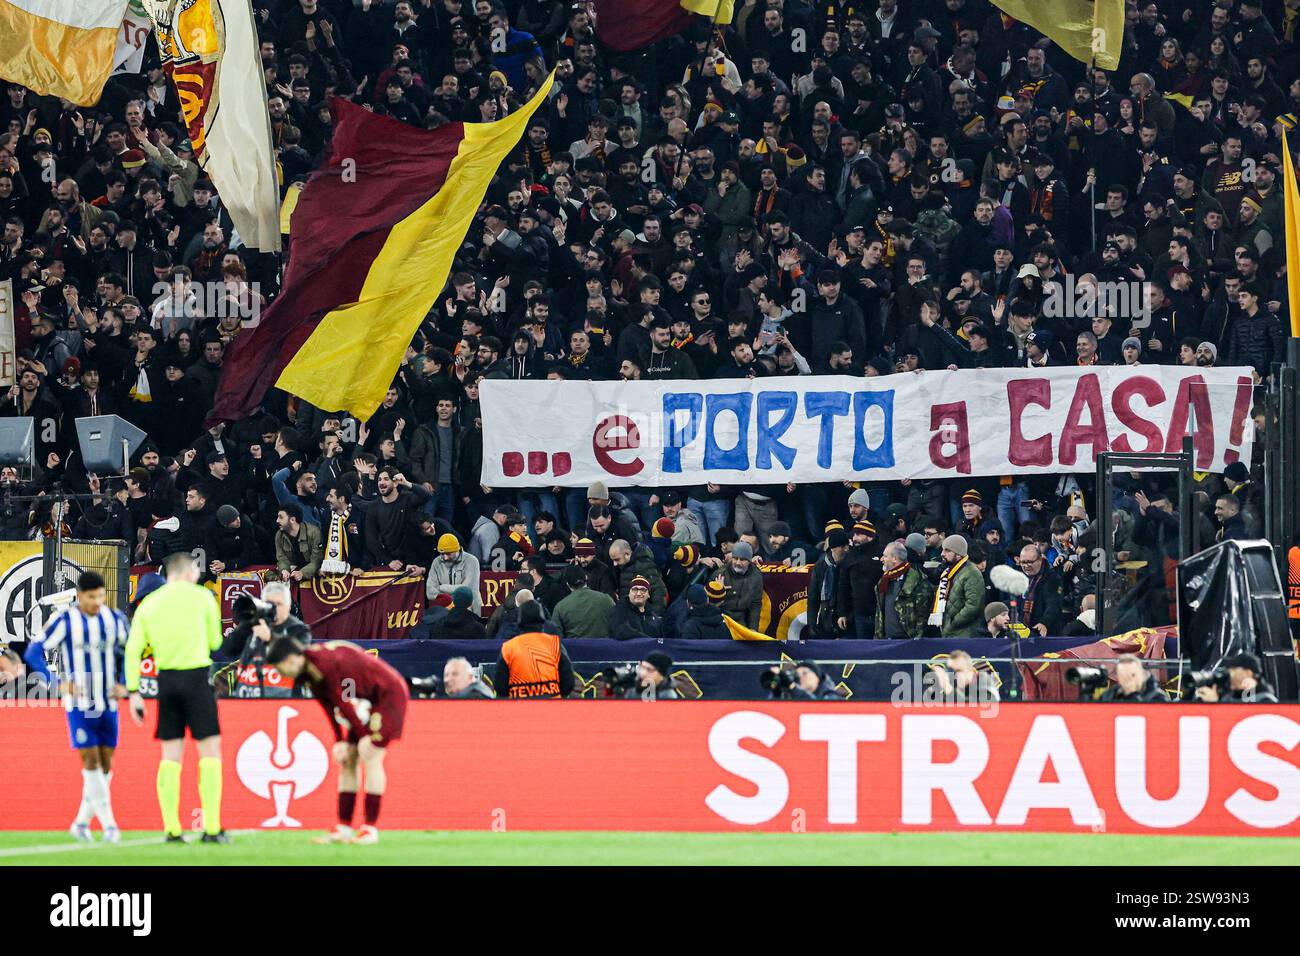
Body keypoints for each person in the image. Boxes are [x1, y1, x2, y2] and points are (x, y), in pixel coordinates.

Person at [124, 551, 228, 843]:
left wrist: (134, 692)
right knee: (209, 751)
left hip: (165, 681)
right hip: (196, 678)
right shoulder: (203, 598)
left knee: (171, 756)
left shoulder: (150, 604)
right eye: (196, 570)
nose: (198, 575)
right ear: (186, 572)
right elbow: (215, 642)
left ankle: (172, 829)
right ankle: (212, 828)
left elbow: (133, 650)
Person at [266, 637, 410, 845]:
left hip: (387, 695)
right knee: (348, 760)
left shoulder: (322, 663)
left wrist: (360, 737)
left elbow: (342, 702)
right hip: (363, 700)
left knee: (371, 754)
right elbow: (329, 705)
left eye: (280, 669)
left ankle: (369, 830)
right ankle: (343, 828)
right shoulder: (309, 669)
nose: (280, 675)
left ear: (290, 659)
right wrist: (339, 741)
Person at [21, 571, 129, 844]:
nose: (97, 602)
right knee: (90, 761)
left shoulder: (114, 619)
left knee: (105, 765)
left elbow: (130, 651)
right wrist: (56, 683)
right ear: (79, 596)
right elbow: (34, 651)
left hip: (108, 702)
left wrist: (125, 684)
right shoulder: (65, 620)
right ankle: (110, 826)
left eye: (101, 596)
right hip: (80, 703)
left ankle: (81, 823)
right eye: (92, 597)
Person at [219, 581, 312, 698]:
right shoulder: (253, 623)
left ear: (288, 606)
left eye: (279, 604)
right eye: (270, 604)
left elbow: (296, 658)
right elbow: (228, 650)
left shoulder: (298, 629)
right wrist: (246, 624)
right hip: (246, 701)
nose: (274, 608)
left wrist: (270, 638)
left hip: (282, 703)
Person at [494, 624, 575, 699]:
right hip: (552, 707)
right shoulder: (555, 644)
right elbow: (568, 683)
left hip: (518, 707)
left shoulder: (509, 647)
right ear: (543, 623)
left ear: (519, 623)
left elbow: (500, 686)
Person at [928, 535, 985, 637]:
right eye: (942, 550)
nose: (942, 554)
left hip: (964, 635)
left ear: (958, 554)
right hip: (950, 634)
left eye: (947, 551)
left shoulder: (972, 572)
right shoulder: (947, 571)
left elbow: (973, 606)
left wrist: (952, 624)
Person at [875, 541, 932, 638]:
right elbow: (880, 612)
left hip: (908, 641)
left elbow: (923, 614)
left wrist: (917, 638)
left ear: (894, 559)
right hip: (886, 641)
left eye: (885, 556)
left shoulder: (918, 581)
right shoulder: (884, 580)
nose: (881, 559)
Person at [551, 565, 614, 638]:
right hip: (605, 647)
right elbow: (617, 625)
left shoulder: (560, 607)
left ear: (568, 584)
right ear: (586, 577)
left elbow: (555, 637)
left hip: (574, 648)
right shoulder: (606, 599)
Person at [1195, 652, 1279, 703]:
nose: (1229, 673)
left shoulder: (1265, 701)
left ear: (1248, 673)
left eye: (1233, 669)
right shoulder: (1228, 697)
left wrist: (1216, 704)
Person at [927, 649, 1000, 703]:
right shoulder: (953, 682)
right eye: (951, 671)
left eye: (959, 671)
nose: (956, 675)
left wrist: (948, 689)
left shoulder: (984, 680)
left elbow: (977, 708)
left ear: (970, 670)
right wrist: (933, 691)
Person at [1100, 654, 1168, 702]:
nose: (1128, 678)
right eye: (1123, 675)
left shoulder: (1158, 699)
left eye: (1133, 674)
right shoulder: (1108, 696)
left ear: (1142, 674)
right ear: (1118, 677)